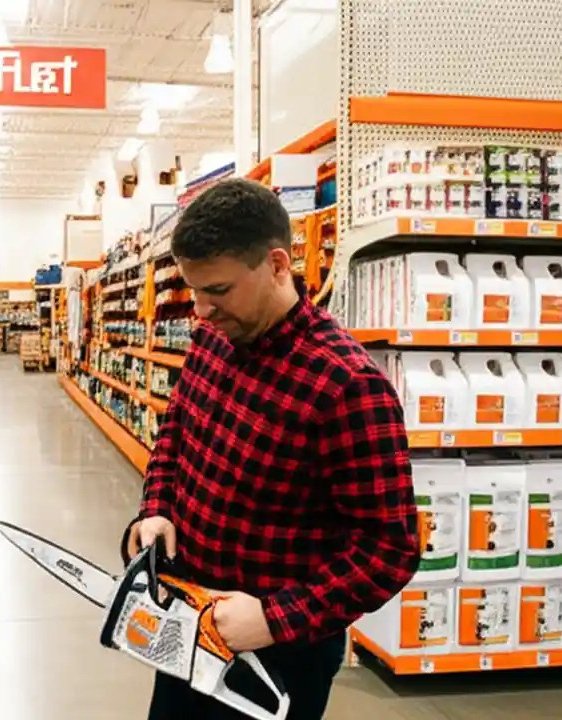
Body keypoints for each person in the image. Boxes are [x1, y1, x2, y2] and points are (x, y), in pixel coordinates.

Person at [122, 179, 420, 720]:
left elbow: (389, 550)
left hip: (281, 657)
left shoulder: (346, 385)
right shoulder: (214, 338)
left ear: (278, 264)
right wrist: (157, 508)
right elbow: (175, 432)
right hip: (190, 620)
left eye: (218, 290)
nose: (202, 311)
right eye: (195, 292)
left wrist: (275, 618)